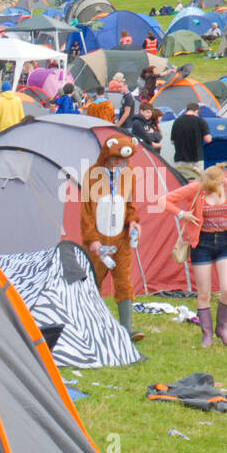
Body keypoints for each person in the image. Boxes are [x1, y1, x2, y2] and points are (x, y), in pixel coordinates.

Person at [156, 165, 227, 347]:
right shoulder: (196, 188)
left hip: (225, 242)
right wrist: (182, 214)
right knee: (203, 293)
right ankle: (207, 334)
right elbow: (164, 201)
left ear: (221, 182)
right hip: (202, 243)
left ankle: (222, 328)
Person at [80, 133, 144, 341]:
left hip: (121, 239)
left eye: (123, 160)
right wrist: (92, 240)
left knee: (124, 281)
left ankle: (126, 329)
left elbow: (130, 205)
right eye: (116, 159)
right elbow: (86, 213)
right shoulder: (92, 175)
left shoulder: (129, 174)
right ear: (107, 155)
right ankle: (89, 325)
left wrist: (133, 221)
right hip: (99, 239)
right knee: (93, 280)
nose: (119, 163)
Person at [169, 102, 212, 171]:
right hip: (196, 158)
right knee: (197, 180)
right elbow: (208, 139)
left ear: (187, 110)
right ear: (197, 111)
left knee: (182, 180)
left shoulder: (177, 121)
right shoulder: (201, 121)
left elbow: (172, 141)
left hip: (180, 158)